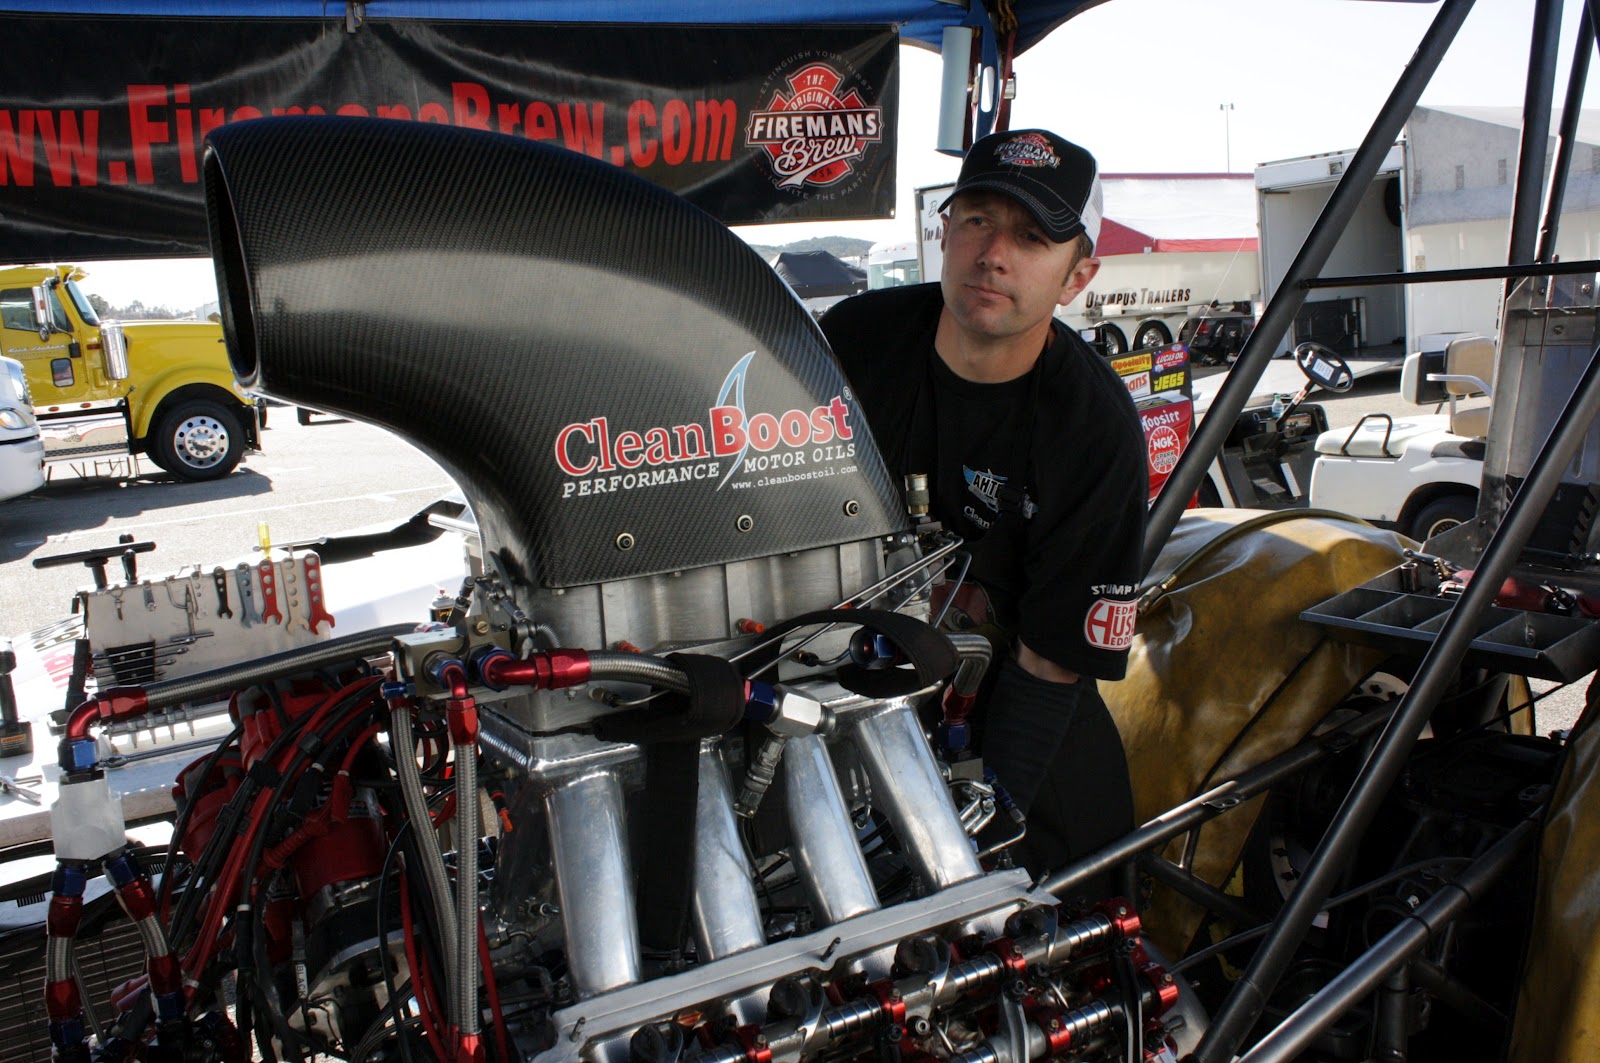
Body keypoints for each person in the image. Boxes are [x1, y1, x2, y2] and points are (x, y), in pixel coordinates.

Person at [820, 128, 1146, 877]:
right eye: (976, 220)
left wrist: (977, 829)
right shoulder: (854, 341)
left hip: (1012, 706)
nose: (994, 253)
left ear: (1076, 277)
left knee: (1058, 914)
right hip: (845, 692)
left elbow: (1051, 662)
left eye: (1031, 237)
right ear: (944, 231)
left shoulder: (1094, 428)